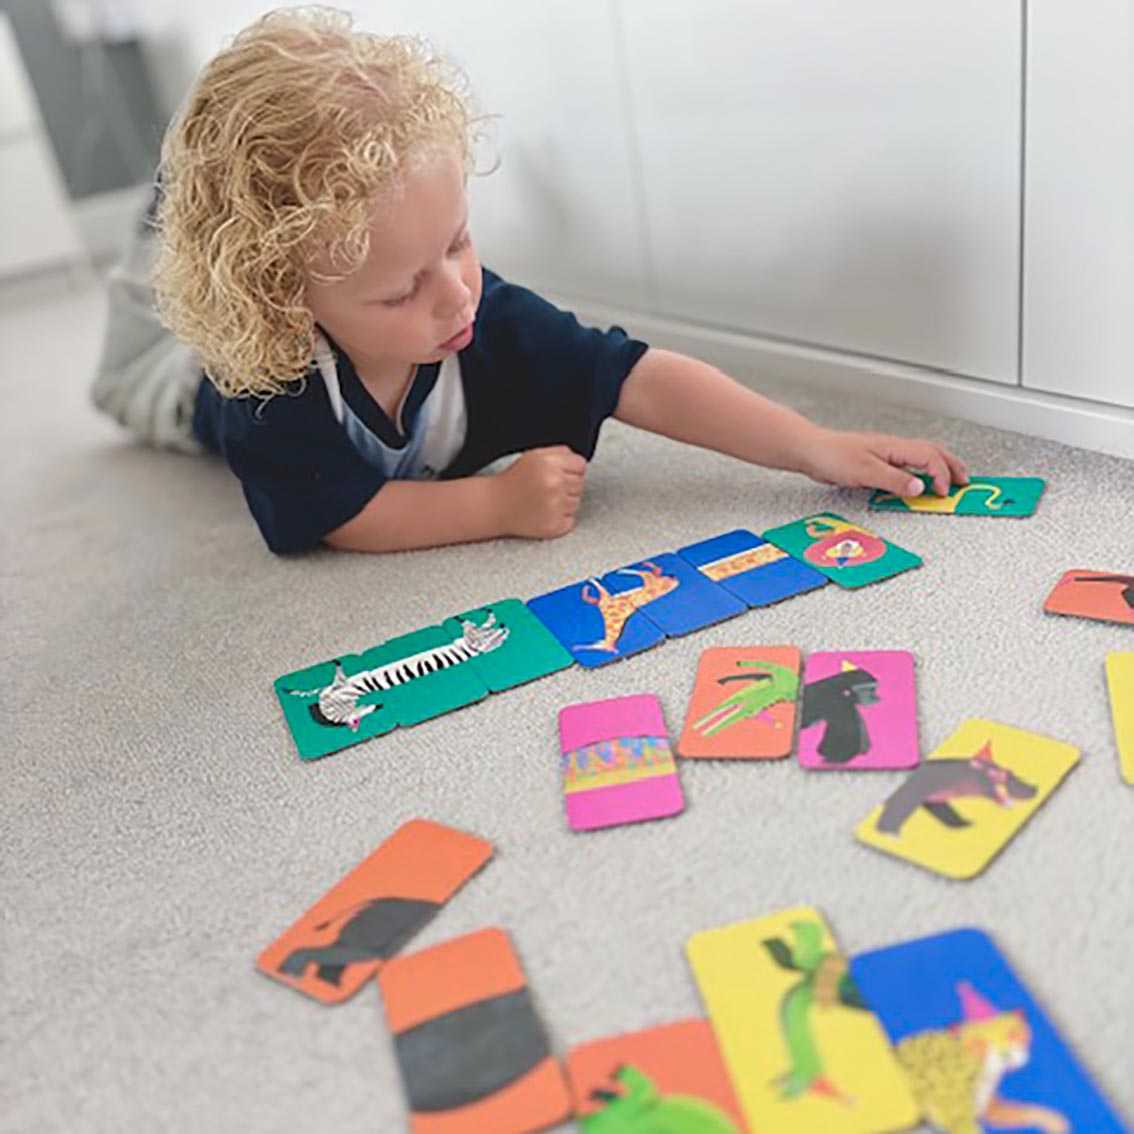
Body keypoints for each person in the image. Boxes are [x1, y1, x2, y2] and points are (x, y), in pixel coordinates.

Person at [92, 7, 966, 556]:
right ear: (285, 301)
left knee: (227, 201)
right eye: (401, 291)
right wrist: (494, 505)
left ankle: (200, 178)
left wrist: (815, 445)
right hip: (171, 371)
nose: (454, 294)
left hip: (263, 278)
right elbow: (334, 514)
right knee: (155, 289)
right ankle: (176, 186)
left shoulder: (485, 320)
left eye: (459, 242)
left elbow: (637, 376)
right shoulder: (268, 379)